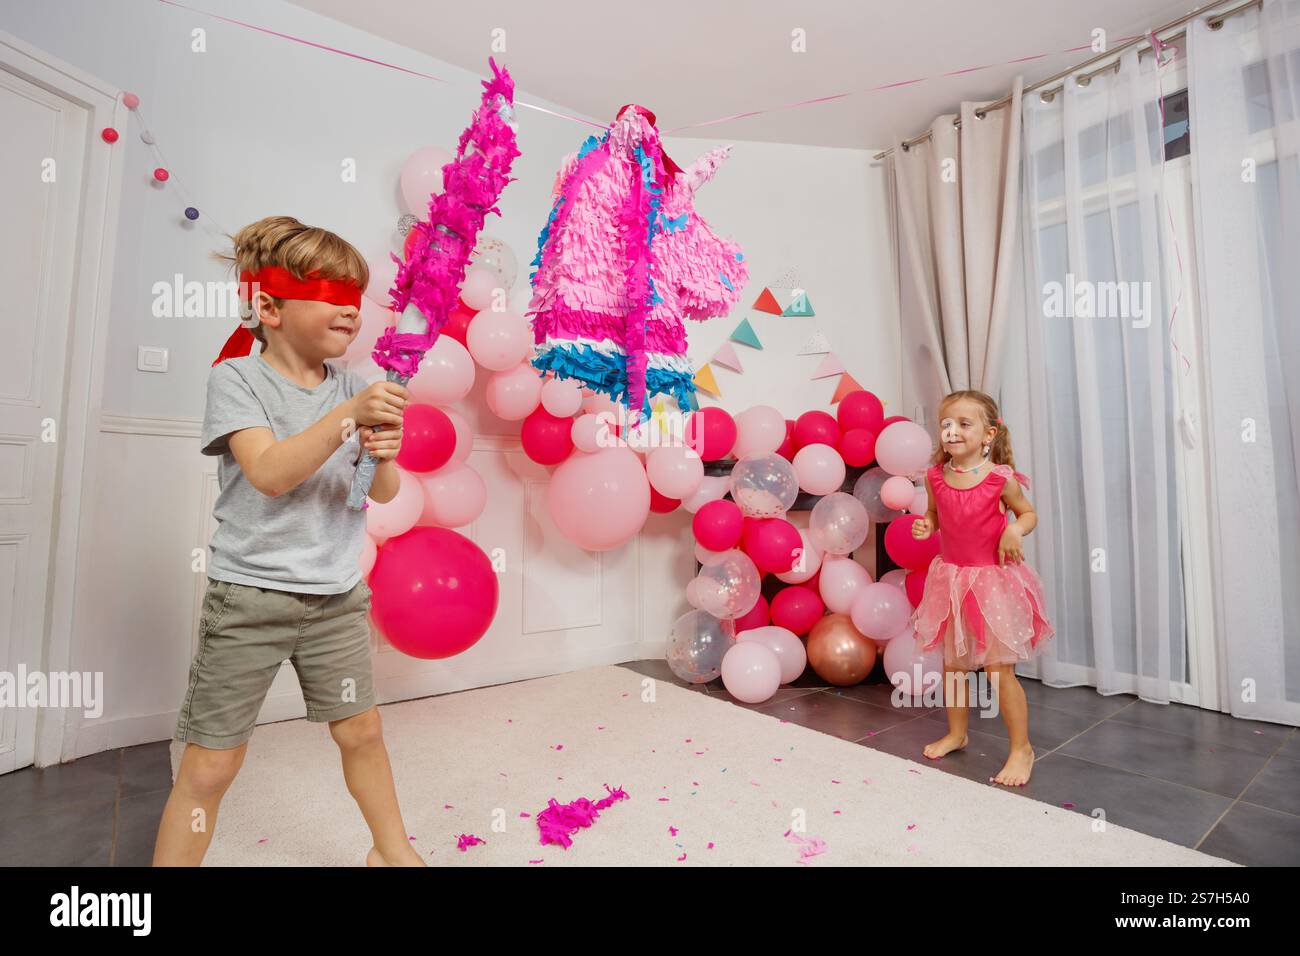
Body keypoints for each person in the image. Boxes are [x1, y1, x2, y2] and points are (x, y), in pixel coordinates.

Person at [153, 215, 420, 865]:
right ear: (268, 306)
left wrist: (383, 453)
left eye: (355, 299)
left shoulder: (353, 389)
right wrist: (347, 419)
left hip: (334, 598)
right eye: (331, 297)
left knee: (362, 730)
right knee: (212, 766)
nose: (351, 312)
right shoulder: (239, 380)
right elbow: (270, 474)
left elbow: (377, 494)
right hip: (251, 600)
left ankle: (391, 854)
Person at [909, 390, 1054, 786]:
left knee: (998, 669)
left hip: (992, 582)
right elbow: (935, 515)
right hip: (951, 579)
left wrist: (1013, 529)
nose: (951, 431)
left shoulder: (999, 479)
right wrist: (927, 525)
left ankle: (1021, 748)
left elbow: (1028, 514)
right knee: (953, 664)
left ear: (988, 434)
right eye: (946, 424)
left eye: (963, 424)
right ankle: (957, 732)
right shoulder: (936, 477)